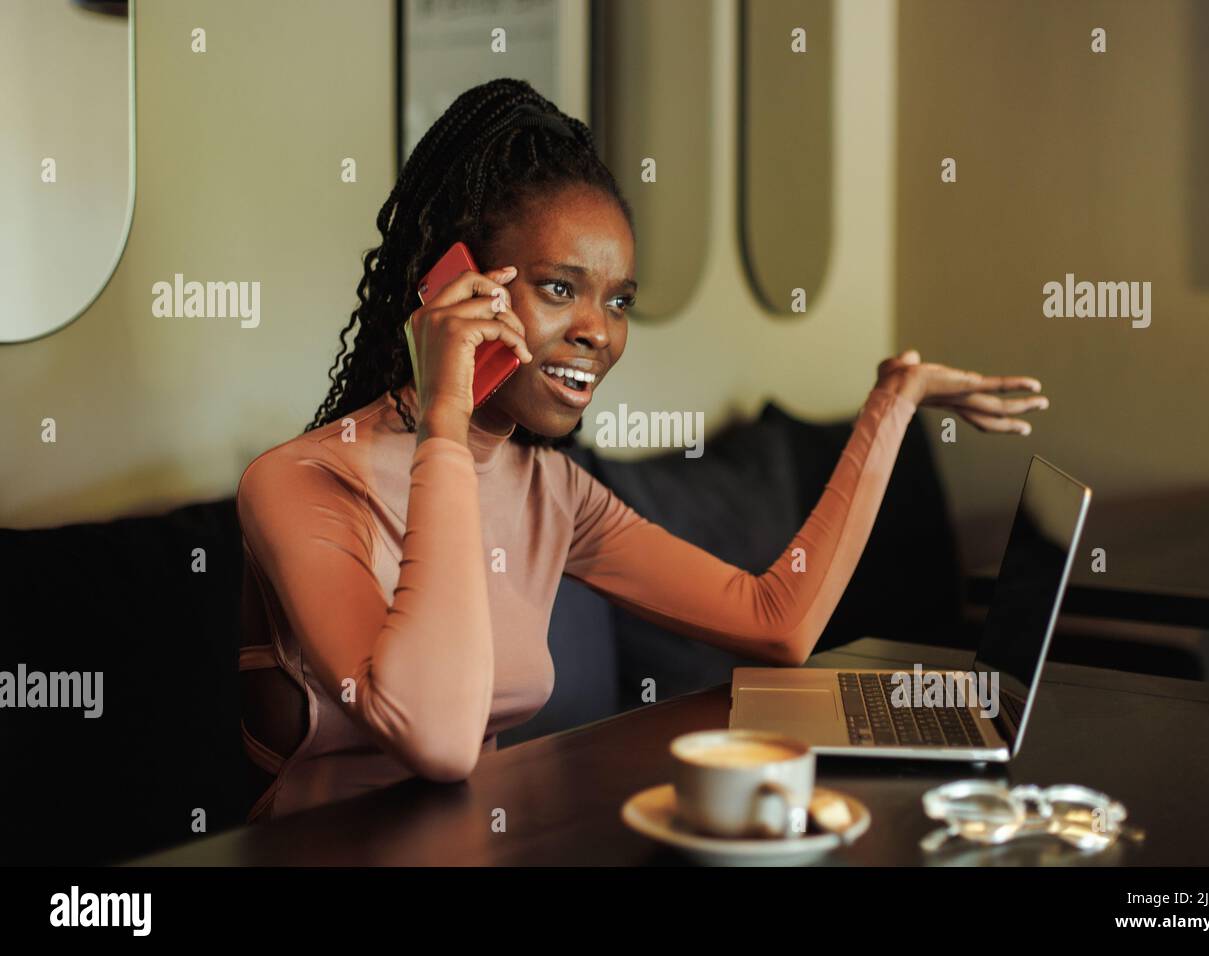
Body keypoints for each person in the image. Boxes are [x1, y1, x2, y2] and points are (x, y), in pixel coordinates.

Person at [235, 78, 1048, 821]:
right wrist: (445, 418)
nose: (598, 331)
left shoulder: (551, 490)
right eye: (560, 288)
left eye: (618, 299)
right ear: (453, 286)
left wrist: (891, 405)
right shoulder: (301, 481)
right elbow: (440, 740)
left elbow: (777, 622)